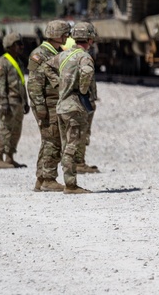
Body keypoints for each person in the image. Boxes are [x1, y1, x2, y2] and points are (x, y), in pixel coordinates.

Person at [54, 21, 98, 194]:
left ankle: (69, 182)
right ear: (90, 39)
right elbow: (87, 72)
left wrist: (59, 86)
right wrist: (83, 90)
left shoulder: (63, 55)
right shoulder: (84, 57)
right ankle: (70, 185)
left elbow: (47, 68)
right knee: (72, 146)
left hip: (61, 105)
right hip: (74, 107)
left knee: (66, 145)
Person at [26, 20, 70, 192]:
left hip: (54, 103)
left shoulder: (56, 52)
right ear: (56, 35)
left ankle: (41, 178)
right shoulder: (40, 54)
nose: (67, 37)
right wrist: (40, 106)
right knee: (53, 140)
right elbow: (34, 84)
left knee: (48, 140)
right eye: (65, 34)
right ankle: (49, 179)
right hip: (46, 104)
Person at [0, 33, 30, 169]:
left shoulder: (18, 61)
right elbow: (0, 86)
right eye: (18, 44)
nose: (21, 46)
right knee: (5, 129)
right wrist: (3, 104)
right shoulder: (2, 62)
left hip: (18, 103)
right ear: (10, 46)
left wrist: (26, 102)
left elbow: (21, 83)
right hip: (9, 103)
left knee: (16, 131)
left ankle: (9, 157)